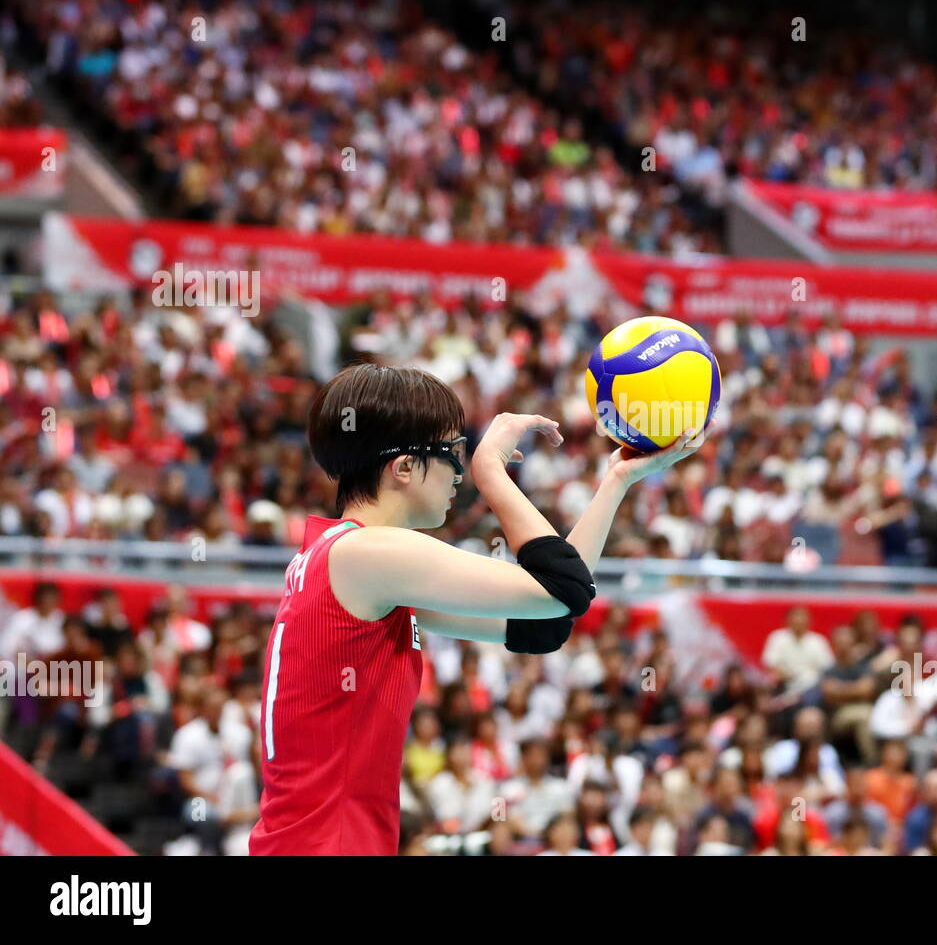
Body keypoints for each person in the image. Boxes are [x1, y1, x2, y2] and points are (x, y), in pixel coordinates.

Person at [250, 364, 711, 855]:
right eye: (453, 453)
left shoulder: (346, 559)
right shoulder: (369, 554)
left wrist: (616, 480)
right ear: (404, 468)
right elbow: (562, 587)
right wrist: (491, 472)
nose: (459, 470)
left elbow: (549, 620)